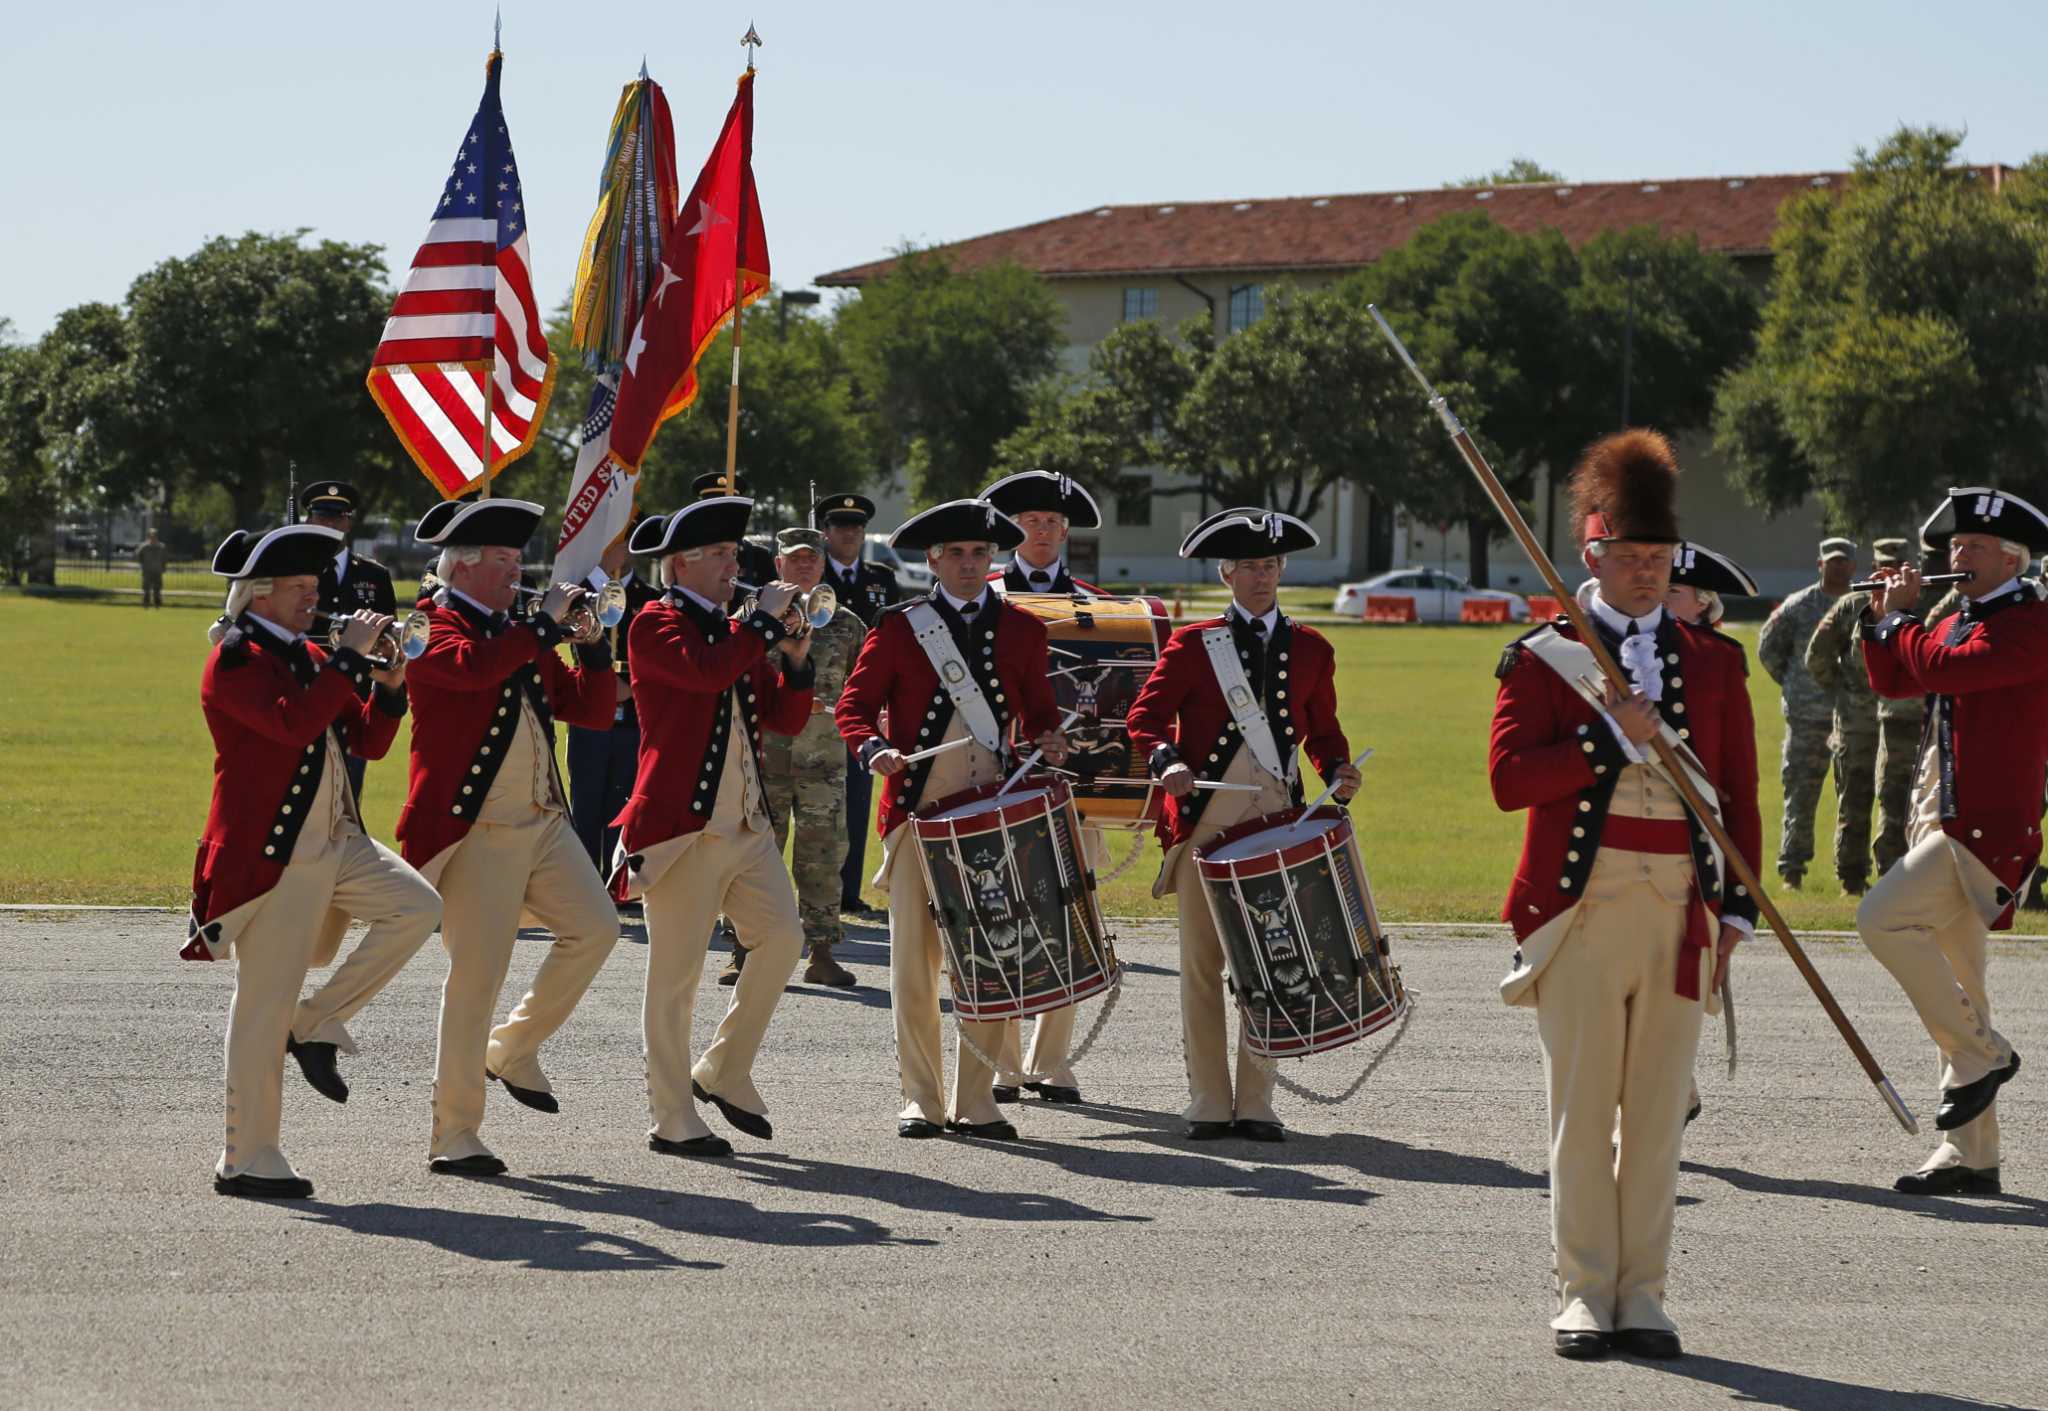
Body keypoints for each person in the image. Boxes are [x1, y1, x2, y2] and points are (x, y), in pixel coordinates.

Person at [1489, 431, 1760, 1361]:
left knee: (1653, 1114)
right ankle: (1582, 1291)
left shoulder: (1716, 662)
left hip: (1682, 913)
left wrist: (1734, 915)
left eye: (1660, 559)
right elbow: (1510, 781)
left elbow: (1739, 798)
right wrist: (1610, 738)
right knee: (1583, 1107)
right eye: (1630, 558)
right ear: (1591, 554)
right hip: (1582, 912)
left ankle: (1643, 1291)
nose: (1647, 574)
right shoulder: (1543, 658)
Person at [186, 521, 440, 1199]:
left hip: (336, 839)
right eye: (299, 587)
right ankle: (246, 1155)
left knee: (418, 907)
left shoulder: (303, 653)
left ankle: (317, 1021)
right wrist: (350, 662)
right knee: (262, 1002)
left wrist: (388, 685)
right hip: (275, 854)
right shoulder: (235, 660)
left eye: (313, 584)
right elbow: (294, 723)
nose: (314, 596)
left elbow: (367, 741)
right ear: (260, 595)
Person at [400, 497, 625, 1178]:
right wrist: (540, 624)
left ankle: (513, 1047)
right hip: (476, 831)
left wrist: (593, 644)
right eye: (503, 562)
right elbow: (470, 667)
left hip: (541, 819)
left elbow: (589, 709)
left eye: (516, 561)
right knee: (477, 977)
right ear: (462, 567)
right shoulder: (431, 624)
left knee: (597, 927)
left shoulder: (515, 631)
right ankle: (455, 1131)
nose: (516, 572)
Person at [1126, 507, 1360, 1144]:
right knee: (1203, 965)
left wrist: (1338, 768)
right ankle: (1207, 1098)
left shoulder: (1312, 647)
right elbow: (1144, 721)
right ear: (1226, 571)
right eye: (1250, 566)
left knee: (1271, 958)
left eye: (1272, 564)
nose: (1262, 576)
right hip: (1206, 820)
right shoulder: (1194, 643)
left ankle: (1257, 1102)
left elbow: (1325, 730)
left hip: (1279, 819)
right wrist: (1166, 759)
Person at [835, 499, 1065, 1141]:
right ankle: (922, 1099)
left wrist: (1049, 739)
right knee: (914, 962)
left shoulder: (1023, 630)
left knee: (991, 956)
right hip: (917, 817)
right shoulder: (902, 626)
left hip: (994, 817)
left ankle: (977, 1099)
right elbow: (853, 709)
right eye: (956, 555)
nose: (969, 565)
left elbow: (1041, 712)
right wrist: (873, 748)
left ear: (991, 560)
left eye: (979, 555)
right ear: (932, 560)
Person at [1856, 486, 2048, 1197]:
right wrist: (1880, 622)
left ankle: (1985, 1053)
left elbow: (1942, 668)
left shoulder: (2029, 621)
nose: (1954, 557)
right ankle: (1972, 1156)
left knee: (1879, 917)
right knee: (1962, 986)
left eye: (1970, 548)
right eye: (1954, 547)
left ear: (2011, 558)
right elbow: (1899, 683)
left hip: (1985, 830)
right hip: (1943, 815)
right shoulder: (1967, 615)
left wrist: (1903, 620)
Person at [612, 496, 815, 1158]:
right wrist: (758, 626)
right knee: (674, 978)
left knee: (784, 938)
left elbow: (782, 719)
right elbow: (704, 673)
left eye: (734, 553)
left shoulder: (737, 630)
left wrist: (796, 658)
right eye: (723, 555)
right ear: (680, 564)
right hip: (681, 828)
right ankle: (672, 1116)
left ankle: (724, 1068)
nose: (736, 565)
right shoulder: (654, 622)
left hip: (746, 823)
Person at [981, 469, 1109, 1103]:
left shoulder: (1098, 603)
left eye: (1055, 523)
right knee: (999, 914)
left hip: (1072, 785)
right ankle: (1003, 1065)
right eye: (1031, 522)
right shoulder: (982, 594)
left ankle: (1050, 1060)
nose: (1044, 532)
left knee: (1073, 915)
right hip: (996, 782)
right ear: (1011, 531)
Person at [722, 526, 865, 988]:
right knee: (753, 854)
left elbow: (864, 687)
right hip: (764, 760)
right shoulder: (751, 617)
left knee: (822, 856)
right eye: (795, 558)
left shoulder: (845, 623)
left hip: (824, 762)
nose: (805, 565)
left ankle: (821, 951)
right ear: (778, 564)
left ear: (823, 565)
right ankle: (743, 950)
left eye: (813, 559)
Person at [1661, 539, 1762, 1129]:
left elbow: (1739, 790)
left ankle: (1670, 1088)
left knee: (1683, 981)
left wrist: (1741, 905)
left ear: (1702, 604)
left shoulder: (1719, 661)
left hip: (1695, 852)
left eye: (1671, 590)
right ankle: (1673, 1090)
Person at [1806, 538, 1929, 881]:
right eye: (1882, 565)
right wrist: (1843, 692)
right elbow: (1817, 656)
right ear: (1873, 567)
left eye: (1898, 565)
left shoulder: (1922, 602)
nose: (1888, 572)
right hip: (1857, 721)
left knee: (1900, 800)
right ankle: (1851, 876)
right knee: (1854, 798)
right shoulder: (1852, 605)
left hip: (1903, 719)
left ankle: (1895, 875)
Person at [814, 493, 901, 920]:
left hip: (864, 705)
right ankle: (811, 893)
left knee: (855, 798)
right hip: (816, 707)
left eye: (856, 526)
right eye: (839, 525)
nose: (849, 533)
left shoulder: (881, 578)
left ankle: (847, 893)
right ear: (825, 532)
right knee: (808, 802)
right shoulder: (811, 575)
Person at [1757, 538, 1854, 888]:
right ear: (1820, 564)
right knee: (1800, 795)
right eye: (1832, 561)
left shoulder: (1863, 604)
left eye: (1844, 562)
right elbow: (1768, 648)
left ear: (1854, 567)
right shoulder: (1798, 606)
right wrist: (1794, 685)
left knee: (1854, 799)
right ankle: (1792, 871)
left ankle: (1852, 876)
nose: (1838, 567)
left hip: (1853, 718)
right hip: (1807, 717)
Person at [566, 523, 660, 882]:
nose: (618, 547)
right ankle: (584, 881)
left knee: (625, 798)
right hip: (591, 710)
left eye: (624, 539)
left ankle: (619, 878)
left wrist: (632, 687)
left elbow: (658, 653)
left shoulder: (650, 596)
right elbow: (569, 616)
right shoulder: (585, 589)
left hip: (635, 714)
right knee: (587, 799)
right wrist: (602, 573)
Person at [303, 481, 399, 801]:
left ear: (347, 521)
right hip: (303, 692)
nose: (329, 522)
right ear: (308, 519)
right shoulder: (294, 571)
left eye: (337, 515)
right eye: (321, 514)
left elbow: (388, 641)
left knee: (346, 798)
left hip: (354, 702)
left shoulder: (375, 575)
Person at [982, 469, 1100, 594]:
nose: (1043, 530)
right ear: (1016, 531)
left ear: (1063, 532)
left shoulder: (1093, 600)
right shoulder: (985, 594)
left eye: (1051, 521)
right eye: (1033, 520)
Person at [137, 527, 168, 607]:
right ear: (149, 536)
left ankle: (157, 604)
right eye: (151, 535)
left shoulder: (161, 547)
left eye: (154, 535)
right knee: (146, 589)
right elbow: (138, 556)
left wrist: (164, 567)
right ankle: (146, 603)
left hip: (157, 570)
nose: (153, 537)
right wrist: (142, 564)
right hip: (147, 571)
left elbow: (164, 558)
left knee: (157, 589)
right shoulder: (144, 547)